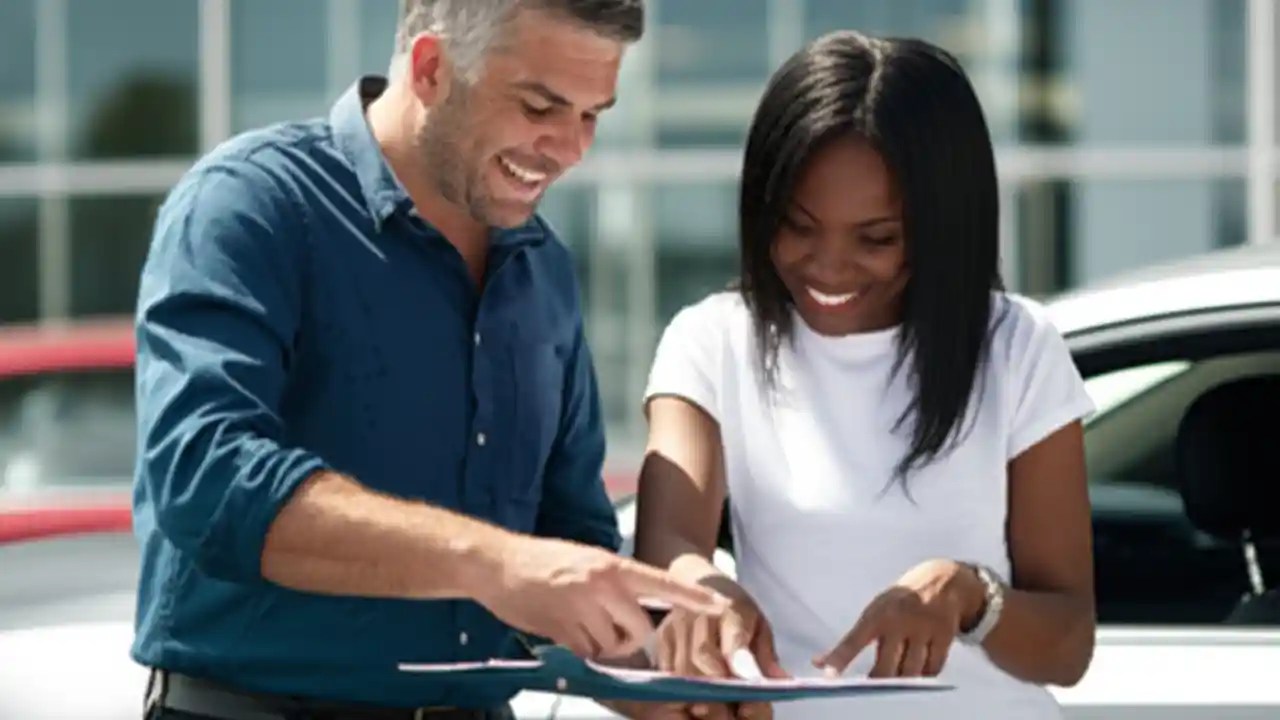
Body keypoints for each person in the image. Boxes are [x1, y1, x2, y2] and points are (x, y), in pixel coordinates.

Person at [130, 1, 728, 719]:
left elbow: (565, 545)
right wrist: (496, 565)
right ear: (431, 68)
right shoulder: (253, 206)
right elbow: (208, 481)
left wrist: (681, 675)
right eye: (541, 105)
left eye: (592, 115)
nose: (571, 149)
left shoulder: (544, 273)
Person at [632, 31, 1098, 720]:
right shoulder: (711, 342)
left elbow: (1067, 647)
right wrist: (703, 589)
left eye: (877, 238)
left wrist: (969, 595)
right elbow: (669, 542)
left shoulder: (1017, 349)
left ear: (943, 224)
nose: (828, 266)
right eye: (796, 226)